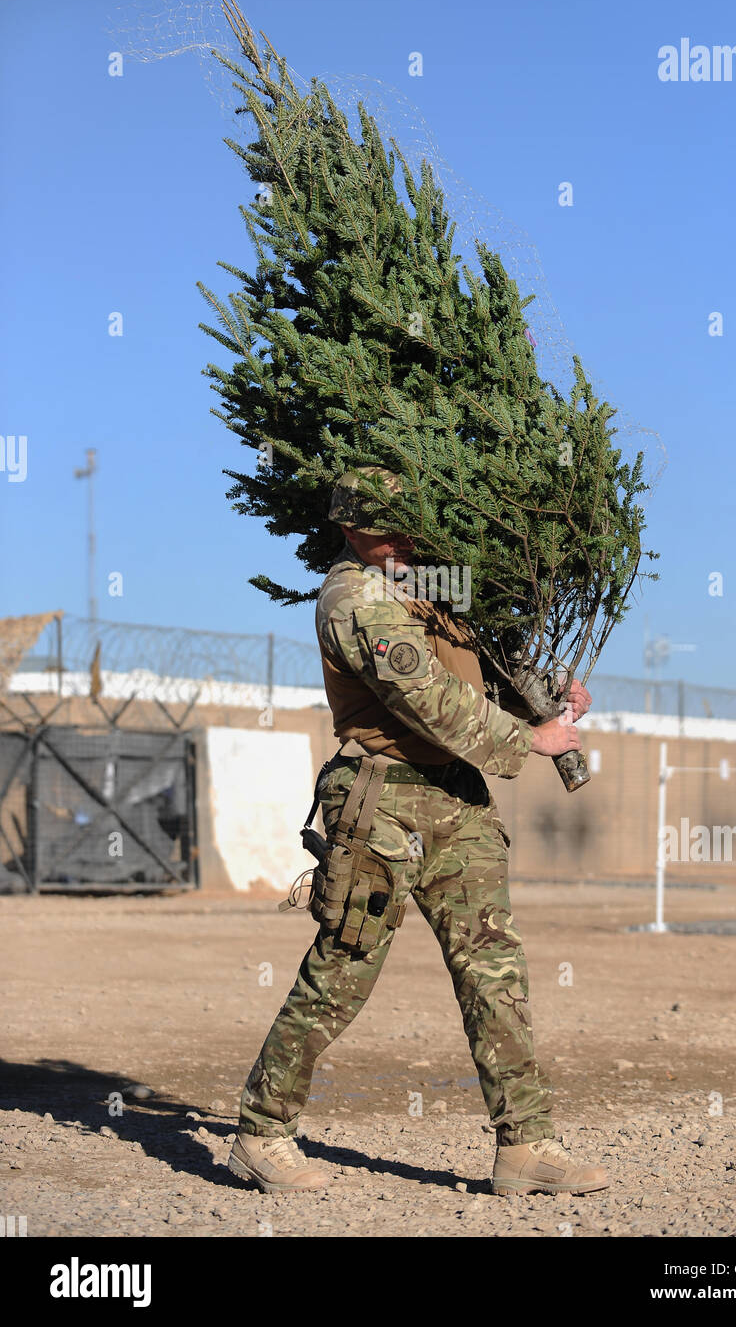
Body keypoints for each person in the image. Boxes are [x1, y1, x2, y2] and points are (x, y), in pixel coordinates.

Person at [228, 467, 609, 1197]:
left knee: (493, 971)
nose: (399, 538)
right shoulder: (354, 597)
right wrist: (531, 741)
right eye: (380, 529)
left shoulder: (430, 582)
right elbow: (424, 697)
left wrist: (549, 692)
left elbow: (474, 665)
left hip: (457, 800)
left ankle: (525, 1146)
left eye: (404, 524)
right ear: (348, 530)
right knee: (343, 970)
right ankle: (261, 1131)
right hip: (383, 802)